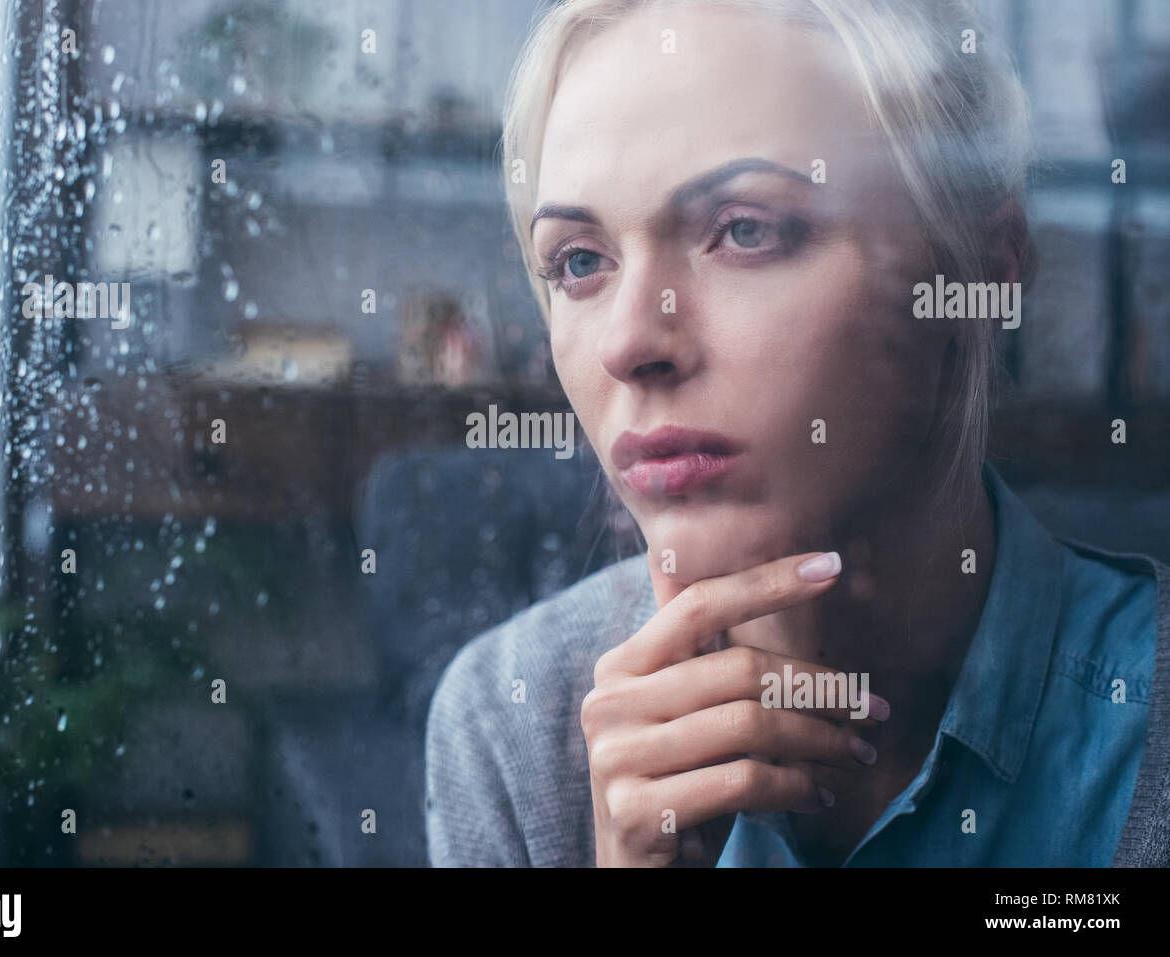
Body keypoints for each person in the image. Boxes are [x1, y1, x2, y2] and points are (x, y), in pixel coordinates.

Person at [424, 0, 1170, 867]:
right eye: (579, 261)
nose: (630, 342)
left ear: (982, 270)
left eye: (745, 231)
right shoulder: (511, 725)